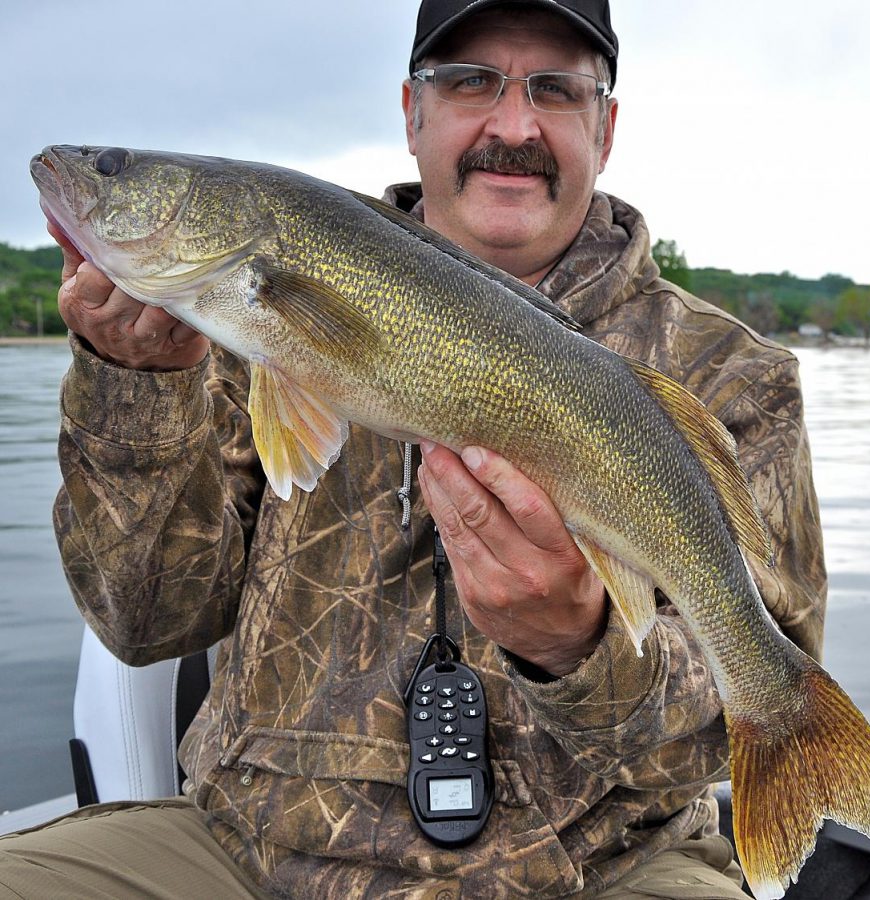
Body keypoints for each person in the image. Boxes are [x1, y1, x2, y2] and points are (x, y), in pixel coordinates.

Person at [0, 1, 827, 897]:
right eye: (470, 81)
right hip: (249, 851)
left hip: (599, 868)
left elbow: (723, 727)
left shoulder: (734, 375)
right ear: (411, 112)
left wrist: (579, 648)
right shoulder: (231, 341)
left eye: (555, 89)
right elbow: (144, 624)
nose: (512, 124)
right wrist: (136, 382)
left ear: (606, 124)